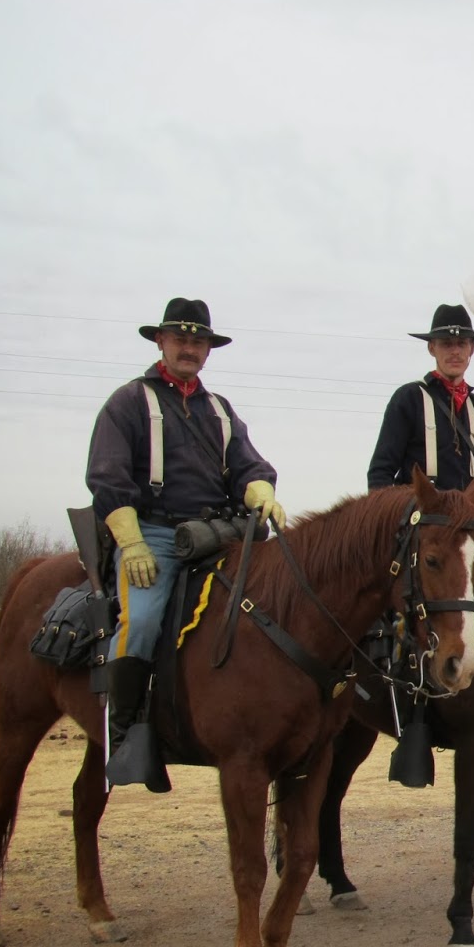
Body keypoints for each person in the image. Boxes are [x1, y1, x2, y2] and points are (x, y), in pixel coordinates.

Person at [86, 297, 285, 792]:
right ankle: (125, 730)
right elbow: (107, 477)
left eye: (199, 341)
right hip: (152, 532)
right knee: (145, 619)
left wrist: (260, 487)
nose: (189, 348)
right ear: (161, 341)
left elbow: (248, 463)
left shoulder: (219, 409)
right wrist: (130, 543)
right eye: (181, 338)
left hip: (218, 533)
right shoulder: (128, 401)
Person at [367, 303, 474, 524]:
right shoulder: (409, 398)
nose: (455, 351)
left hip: (469, 518)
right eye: (446, 344)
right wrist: (390, 520)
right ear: (432, 348)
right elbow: (381, 472)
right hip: (421, 521)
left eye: (461, 344)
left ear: (472, 349)